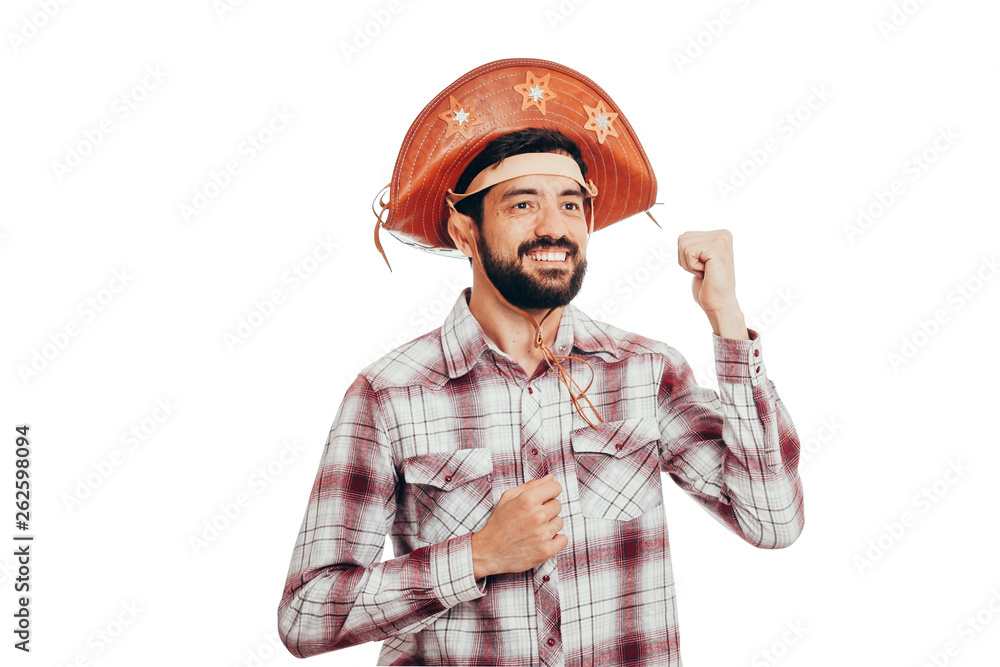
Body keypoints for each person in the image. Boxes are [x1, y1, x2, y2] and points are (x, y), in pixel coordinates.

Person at [277, 58, 804, 666]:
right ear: (463, 229)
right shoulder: (391, 393)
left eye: (572, 205)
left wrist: (728, 323)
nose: (555, 227)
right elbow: (306, 615)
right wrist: (477, 555)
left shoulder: (644, 372)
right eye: (522, 205)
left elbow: (773, 520)